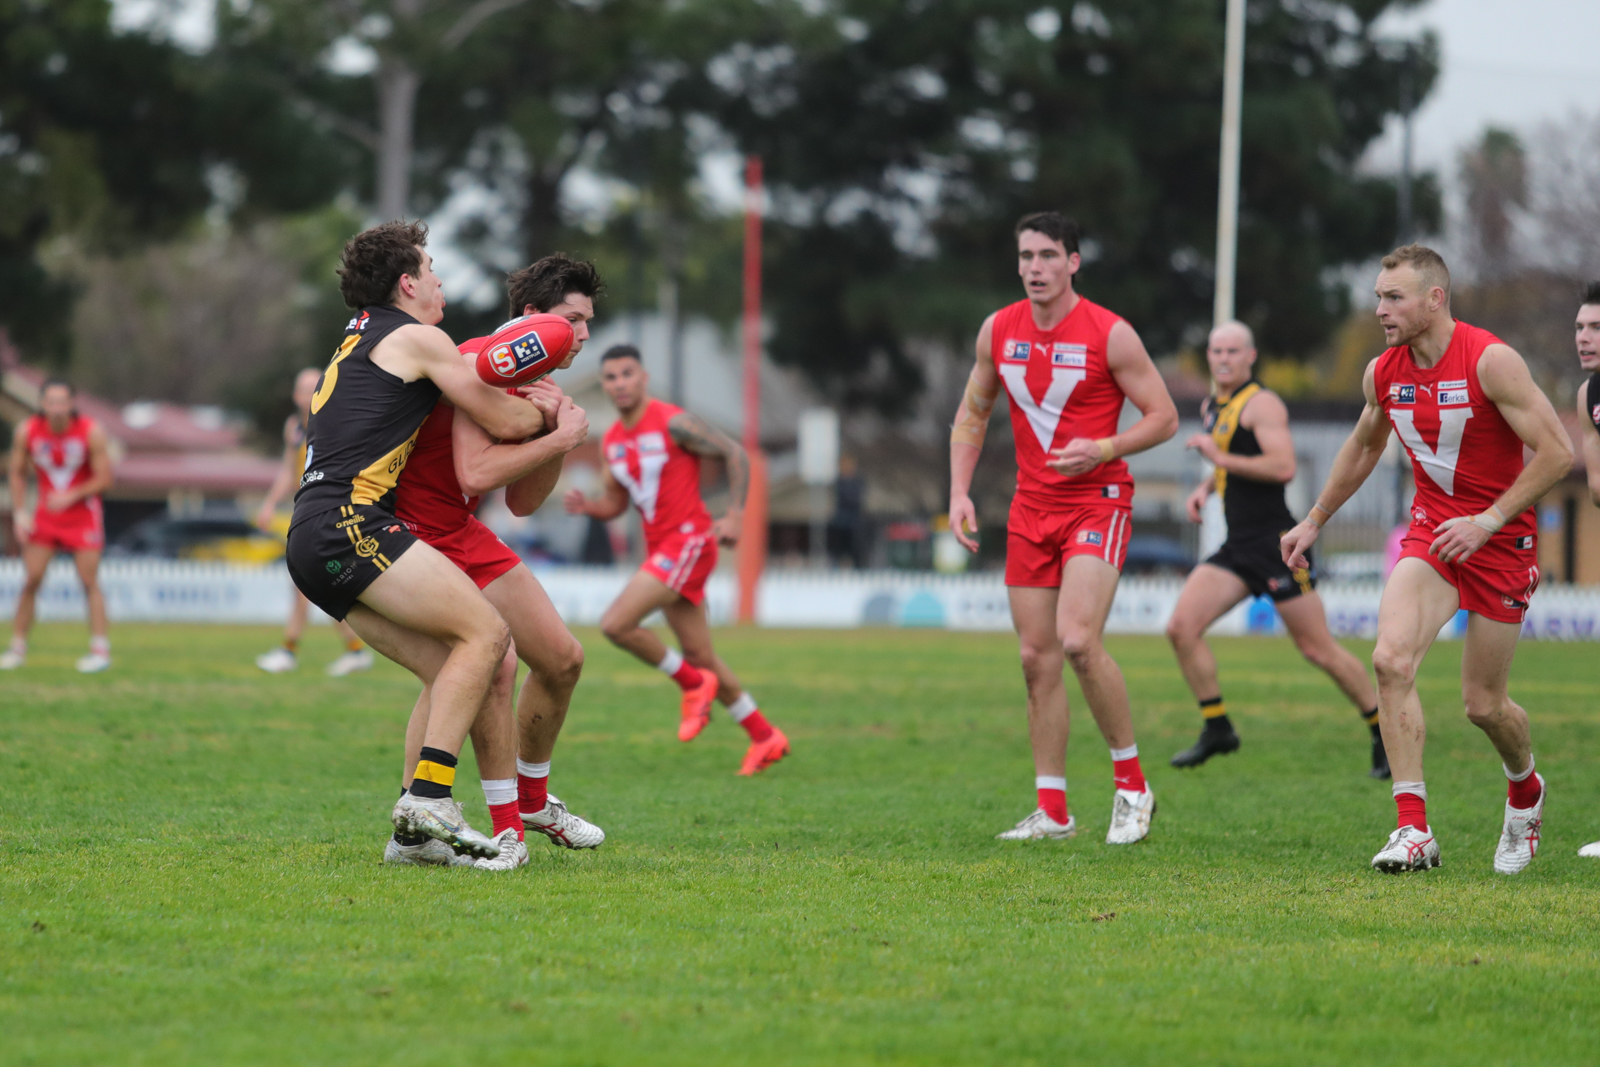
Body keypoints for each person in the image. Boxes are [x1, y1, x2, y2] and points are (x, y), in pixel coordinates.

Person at [1281, 244, 1573, 875]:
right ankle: (1413, 831)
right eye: (1378, 297)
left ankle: (1525, 788)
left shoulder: (1491, 360)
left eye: (1394, 298)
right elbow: (1363, 447)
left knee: (1483, 705)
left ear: (1434, 299)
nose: (1381, 309)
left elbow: (1556, 453)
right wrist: (1314, 520)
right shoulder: (1382, 372)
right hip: (1433, 535)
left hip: (1502, 542)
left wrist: (1488, 520)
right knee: (1390, 659)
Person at [286, 219, 546, 860]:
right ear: (407, 283)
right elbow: (504, 418)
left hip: (312, 532)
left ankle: (413, 841)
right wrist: (556, 416)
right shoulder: (419, 337)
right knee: (487, 634)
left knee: (447, 669)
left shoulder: (359, 337)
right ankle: (429, 800)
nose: (440, 282)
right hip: (351, 522)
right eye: (433, 270)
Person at [948, 211, 1178, 844]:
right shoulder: (998, 330)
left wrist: (1105, 447)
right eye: (1025, 256)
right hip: (1030, 508)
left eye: (1048, 255)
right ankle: (1052, 812)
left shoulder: (1111, 334)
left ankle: (1132, 788)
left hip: (1097, 500)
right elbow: (972, 415)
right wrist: (959, 491)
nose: (1034, 268)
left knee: (1077, 640)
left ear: (1074, 262)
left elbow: (1163, 418)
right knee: (1034, 657)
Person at [388, 254, 606, 870]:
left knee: (562, 659)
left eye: (589, 322)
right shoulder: (480, 358)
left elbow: (522, 501)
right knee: (488, 662)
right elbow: (475, 471)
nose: (583, 335)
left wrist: (554, 429)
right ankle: (497, 829)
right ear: (531, 320)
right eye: (572, 320)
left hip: (460, 528)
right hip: (413, 534)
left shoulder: (535, 382)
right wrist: (561, 437)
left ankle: (531, 804)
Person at [1166, 321, 1388, 778]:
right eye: (1216, 351)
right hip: (1237, 546)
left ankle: (1382, 731)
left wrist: (1218, 460)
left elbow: (1282, 466)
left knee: (1317, 649)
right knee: (1181, 627)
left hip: (1276, 545)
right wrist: (1208, 487)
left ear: (1250, 358)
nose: (1223, 358)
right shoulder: (1215, 406)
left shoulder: (1262, 403)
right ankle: (1217, 727)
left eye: (1232, 351)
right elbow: (1233, 457)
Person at [564, 344, 790, 776]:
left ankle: (690, 684)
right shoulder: (612, 442)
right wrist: (592, 507)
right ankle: (764, 735)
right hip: (664, 550)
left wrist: (736, 515)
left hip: (688, 541)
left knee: (616, 624)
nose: (618, 383)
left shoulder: (673, 422)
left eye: (627, 373)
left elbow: (735, 453)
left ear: (643, 377)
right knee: (700, 655)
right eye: (610, 377)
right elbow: (616, 502)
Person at [253, 367, 372, 677]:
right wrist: (268, 503)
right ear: (295, 395)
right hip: (303, 511)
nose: (308, 393)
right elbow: (287, 470)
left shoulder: (335, 422)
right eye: (303, 388)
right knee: (314, 585)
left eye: (315, 386)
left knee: (309, 584)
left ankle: (290, 651)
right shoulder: (293, 428)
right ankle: (353, 650)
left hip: (327, 514)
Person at [3, 379, 114, 673]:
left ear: (72, 404)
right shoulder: (27, 432)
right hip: (46, 515)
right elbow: (16, 473)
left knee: (89, 581)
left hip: (83, 514)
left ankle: (100, 649)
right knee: (32, 579)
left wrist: (72, 496)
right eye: (51, 402)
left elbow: (105, 479)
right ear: (42, 404)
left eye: (62, 401)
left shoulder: (92, 431)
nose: (56, 408)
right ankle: (17, 647)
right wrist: (20, 513)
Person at [1572, 282, 1600, 861]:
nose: (1584, 337)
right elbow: (1595, 489)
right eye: (1580, 328)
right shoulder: (1587, 394)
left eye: (1595, 328)